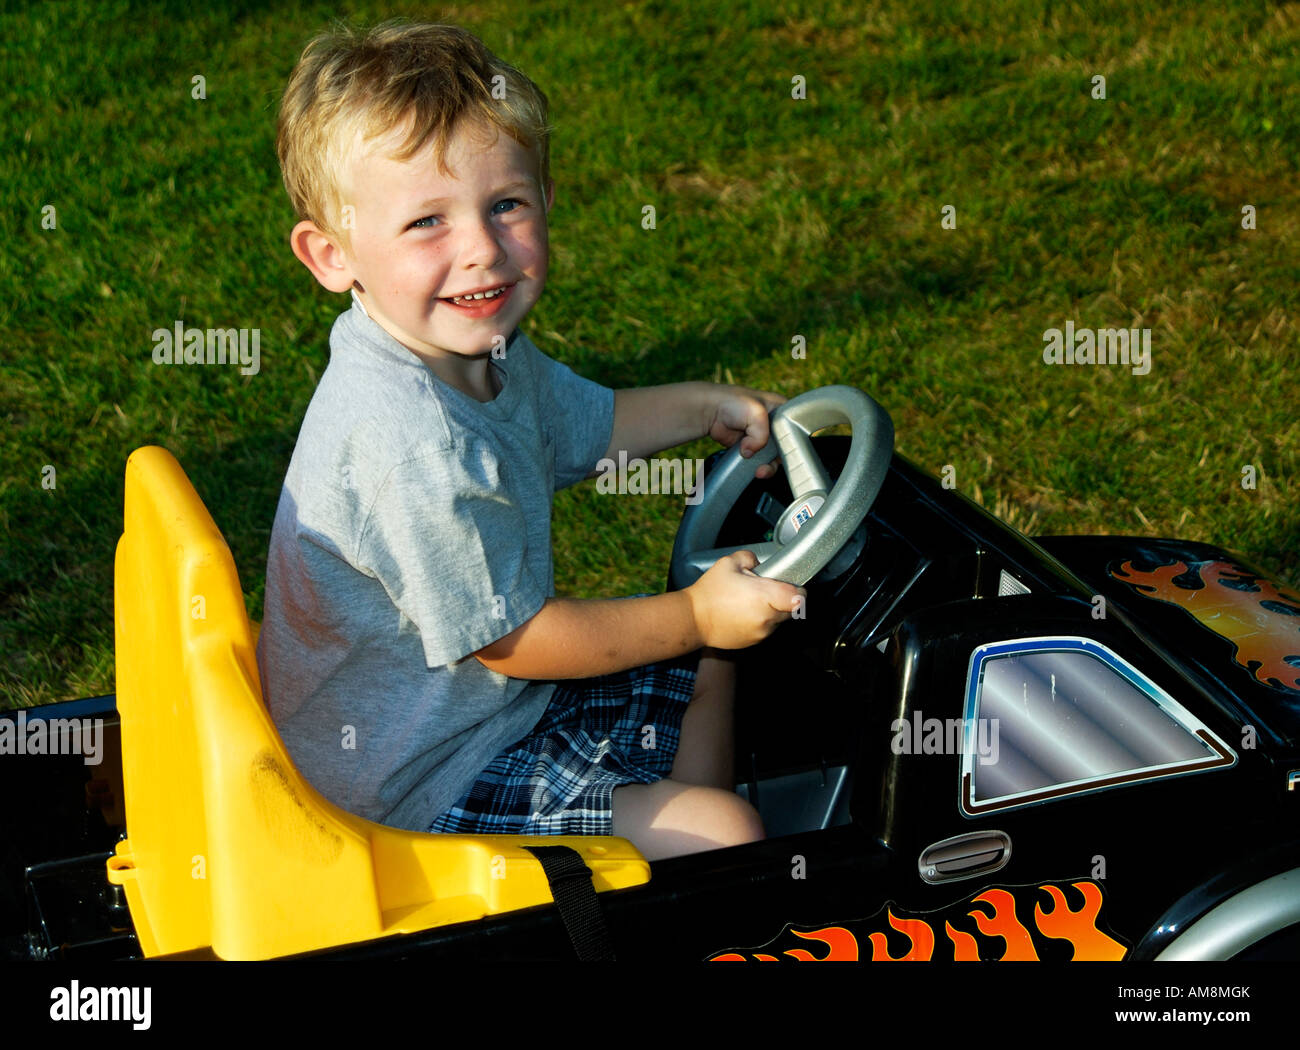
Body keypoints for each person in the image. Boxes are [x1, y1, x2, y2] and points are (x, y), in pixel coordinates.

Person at [258, 19, 805, 861]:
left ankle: (668, 882)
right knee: (726, 826)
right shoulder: (408, 443)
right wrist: (696, 613)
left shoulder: (472, 349)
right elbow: (518, 643)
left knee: (712, 670)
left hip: (472, 713)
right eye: (426, 223)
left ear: (546, 200)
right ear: (332, 255)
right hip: (411, 780)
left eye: (504, 204)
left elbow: (587, 426)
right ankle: (697, 880)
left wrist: (703, 407)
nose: (481, 249)